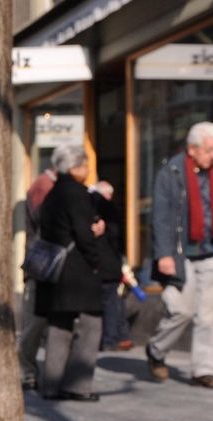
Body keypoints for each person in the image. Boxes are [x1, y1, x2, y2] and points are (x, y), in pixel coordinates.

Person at [146, 121, 213, 389]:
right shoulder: (171, 173)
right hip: (179, 253)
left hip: (212, 252)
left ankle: (204, 370)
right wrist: (163, 255)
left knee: (208, 316)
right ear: (193, 148)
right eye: (210, 150)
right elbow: (160, 218)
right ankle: (156, 350)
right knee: (181, 311)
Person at [35, 144, 107, 401]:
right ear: (75, 167)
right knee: (91, 325)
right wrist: (96, 255)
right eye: (85, 164)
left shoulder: (53, 193)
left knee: (59, 326)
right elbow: (83, 232)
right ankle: (77, 385)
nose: (87, 169)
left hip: (56, 270)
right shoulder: (77, 193)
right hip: (78, 270)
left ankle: (51, 384)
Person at [17, 164, 58, 389]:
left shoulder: (46, 184)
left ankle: (30, 369)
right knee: (35, 321)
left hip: (44, 264)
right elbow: (46, 223)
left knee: (38, 320)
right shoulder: (44, 186)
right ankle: (27, 369)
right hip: (42, 264)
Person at [90, 180, 132, 351]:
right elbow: (116, 239)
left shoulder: (96, 211)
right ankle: (114, 338)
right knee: (112, 303)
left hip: (101, 265)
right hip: (108, 265)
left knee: (110, 303)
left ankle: (112, 338)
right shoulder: (106, 210)